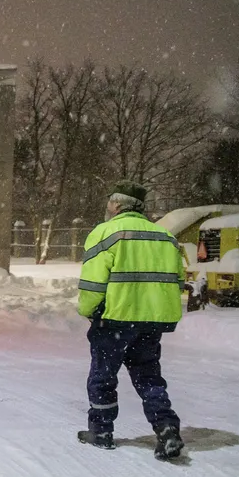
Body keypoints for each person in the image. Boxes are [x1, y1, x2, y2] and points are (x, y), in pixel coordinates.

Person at [77, 181, 186, 460]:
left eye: (109, 204)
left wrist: (88, 310)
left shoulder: (105, 233)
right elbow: (178, 281)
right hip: (151, 323)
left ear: (116, 205)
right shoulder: (165, 236)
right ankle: (166, 427)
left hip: (114, 320)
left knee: (103, 376)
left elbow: (92, 283)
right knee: (149, 377)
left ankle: (101, 432)